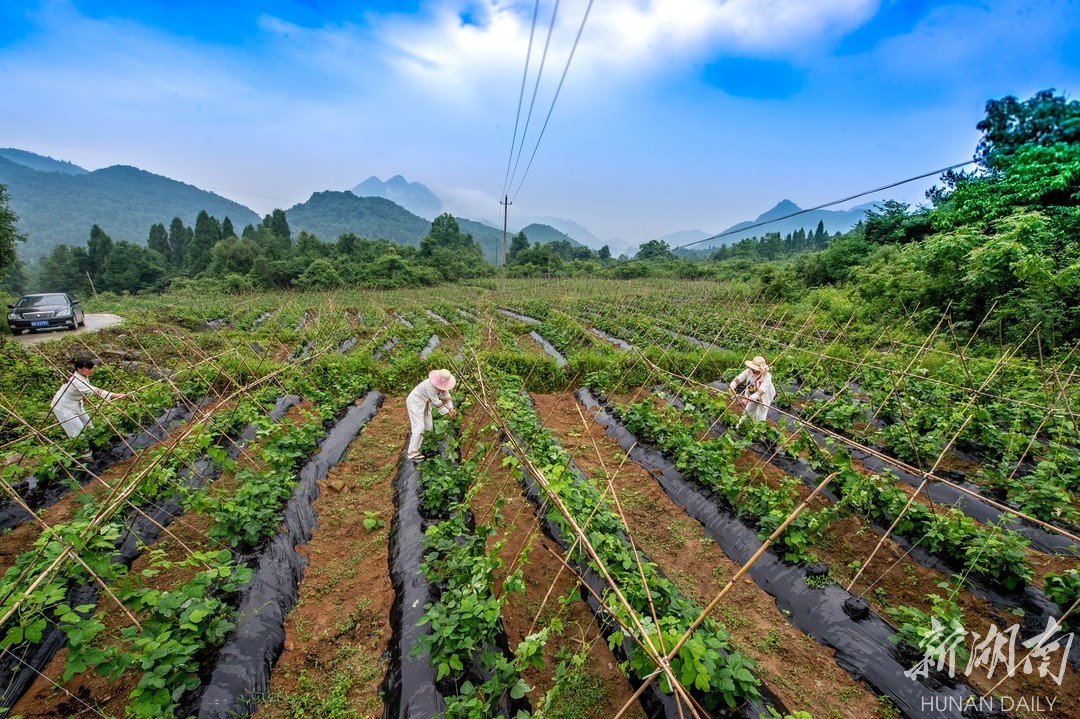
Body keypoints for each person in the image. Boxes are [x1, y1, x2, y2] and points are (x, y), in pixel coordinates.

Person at [50, 356, 129, 444]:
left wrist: (83, 397)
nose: (91, 370)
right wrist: (116, 395)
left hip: (75, 404)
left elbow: (83, 389)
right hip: (63, 407)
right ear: (79, 369)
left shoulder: (82, 375)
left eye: (92, 368)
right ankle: (82, 450)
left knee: (88, 424)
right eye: (88, 368)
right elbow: (95, 391)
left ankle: (93, 443)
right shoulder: (76, 381)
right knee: (77, 430)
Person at [405, 368, 457, 460]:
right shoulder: (430, 386)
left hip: (425, 403)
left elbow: (446, 396)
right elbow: (436, 401)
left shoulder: (443, 386)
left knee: (429, 426)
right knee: (419, 426)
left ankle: (423, 444)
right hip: (415, 402)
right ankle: (412, 452)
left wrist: (451, 408)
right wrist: (447, 412)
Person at [728, 355, 775, 425]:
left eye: (756, 370)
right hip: (752, 394)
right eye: (753, 369)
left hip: (764, 396)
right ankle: (739, 426)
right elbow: (737, 380)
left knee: (760, 415)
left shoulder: (767, 376)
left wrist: (746, 400)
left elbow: (760, 392)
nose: (753, 371)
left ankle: (759, 430)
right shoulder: (749, 371)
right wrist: (732, 387)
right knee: (747, 412)